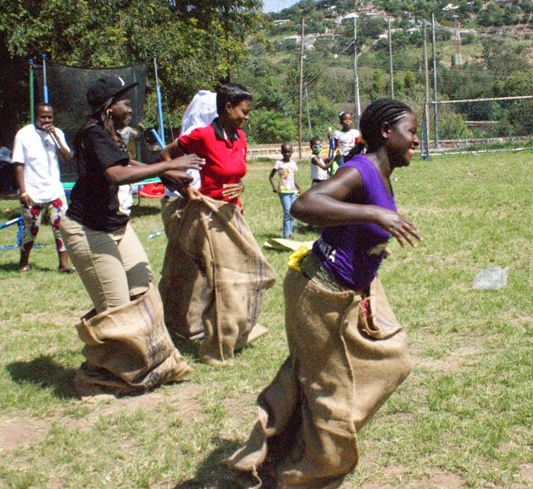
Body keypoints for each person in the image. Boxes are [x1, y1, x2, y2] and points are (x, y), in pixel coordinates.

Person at [227, 98, 422, 486]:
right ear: (387, 132)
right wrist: (374, 213)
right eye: (412, 132)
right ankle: (304, 474)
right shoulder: (360, 169)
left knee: (313, 377)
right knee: (328, 390)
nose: (416, 141)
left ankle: (270, 451)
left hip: (345, 292)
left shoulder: (379, 171)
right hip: (318, 292)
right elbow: (304, 204)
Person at [60, 75, 201, 397]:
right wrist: (171, 163)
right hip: (87, 230)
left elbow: (124, 162)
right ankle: (96, 376)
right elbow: (117, 174)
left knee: (144, 289)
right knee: (116, 308)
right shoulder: (92, 133)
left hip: (115, 226)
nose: (130, 109)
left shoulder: (110, 135)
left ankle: (150, 366)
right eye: (124, 103)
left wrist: (167, 172)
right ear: (109, 108)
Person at [159, 82, 276, 365]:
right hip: (206, 216)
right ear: (227, 107)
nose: (247, 117)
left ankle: (230, 330)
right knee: (226, 279)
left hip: (232, 213)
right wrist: (184, 187)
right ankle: (217, 346)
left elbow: (235, 175)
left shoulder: (239, 137)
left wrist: (240, 187)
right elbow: (165, 156)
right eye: (243, 111)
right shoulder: (201, 136)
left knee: (250, 270)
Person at [12, 103, 74, 273]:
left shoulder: (57, 133)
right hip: (32, 192)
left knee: (61, 226)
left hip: (54, 190)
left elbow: (67, 156)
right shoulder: (24, 135)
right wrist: (23, 191)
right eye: (43, 117)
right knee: (31, 228)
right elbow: (18, 164)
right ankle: (24, 262)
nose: (46, 120)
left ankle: (63, 265)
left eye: (50, 117)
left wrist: (56, 138)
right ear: (35, 117)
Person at [269, 141, 303, 239]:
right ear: (281, 152)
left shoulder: (293, 164)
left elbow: (292, 177)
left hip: (292, 191)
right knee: (287, 212)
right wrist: (274, 187)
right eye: (284, 152)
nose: (286, 154)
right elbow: (271, 176)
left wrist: (298, 187)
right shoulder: (278, 163)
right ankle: (285, 235)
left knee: (292, 212)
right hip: (283, 192)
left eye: (288, 152)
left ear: (292, 151)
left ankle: (289, 233)